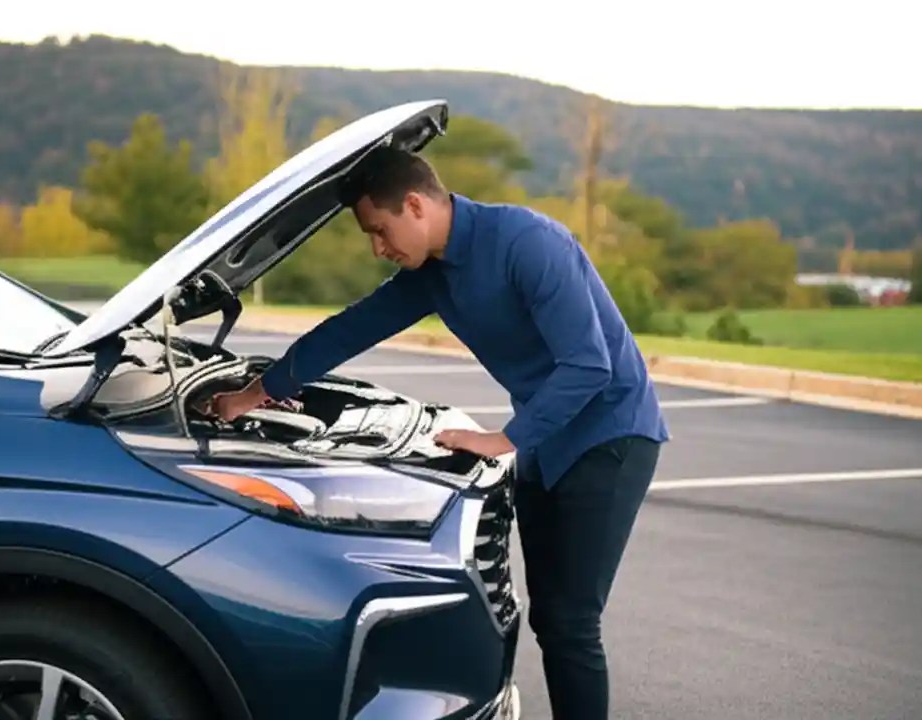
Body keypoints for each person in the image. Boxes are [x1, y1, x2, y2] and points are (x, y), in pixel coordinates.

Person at [209, 146, 669, 719]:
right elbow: (349, 329)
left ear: (414, 205)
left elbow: (589, 365)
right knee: (548, 618)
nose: (379, 247)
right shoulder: (428, 275)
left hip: (610, 435)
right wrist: (257, 393)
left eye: (380, 230)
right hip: (548, 441)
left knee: (572, 622)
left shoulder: (528, 242)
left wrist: (504, 439)